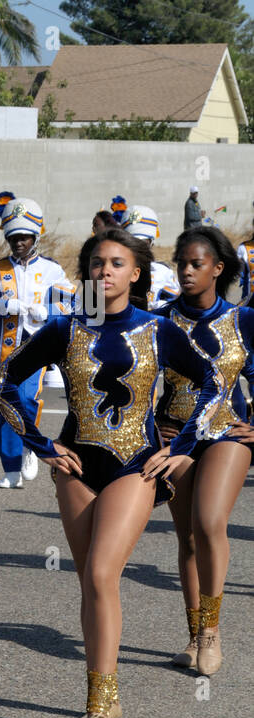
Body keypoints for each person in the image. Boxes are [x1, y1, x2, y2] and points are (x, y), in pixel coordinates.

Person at [0, 228, 221, 718]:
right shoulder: (61, 328)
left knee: (100, 571)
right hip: (75, 466)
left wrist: (182, 443)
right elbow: (5, 381)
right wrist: (40, 444)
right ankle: (105, 691)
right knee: (92, 584)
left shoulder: (158, 329)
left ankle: (98, 707)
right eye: (96, 263)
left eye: (117, 263)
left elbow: (211, 383)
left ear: (136, 273)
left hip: (135, 467)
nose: (105, 272)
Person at [156, 227, 254, 676]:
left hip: (227, 433)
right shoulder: (157, 320)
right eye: (182, 264)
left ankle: (212, 633)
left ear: (218, 269)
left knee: (210, 521)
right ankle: (194, 636)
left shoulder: (243, 320)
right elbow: (132, 377)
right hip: (175, 436)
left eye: (197, 264)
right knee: (188, 539)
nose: (187, 271)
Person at [0, 193, 73, 488]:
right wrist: (0, 307)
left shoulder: (51, 269)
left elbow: (69, 305)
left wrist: (48, 311)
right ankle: (10, 468)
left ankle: (30, 446)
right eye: (14, 237)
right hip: (6, 346)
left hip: (38, 346)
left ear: (35, 236)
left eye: (25, 236)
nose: (19, 242)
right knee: (5, 402)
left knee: (27, 400)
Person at [123, 206, 180, 309]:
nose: (138, 249)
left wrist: (156, 306)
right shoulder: (114, 271)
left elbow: (177, 303)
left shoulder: (162, 272)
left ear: (151, 244)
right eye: (132, 244)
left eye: (143, 244)